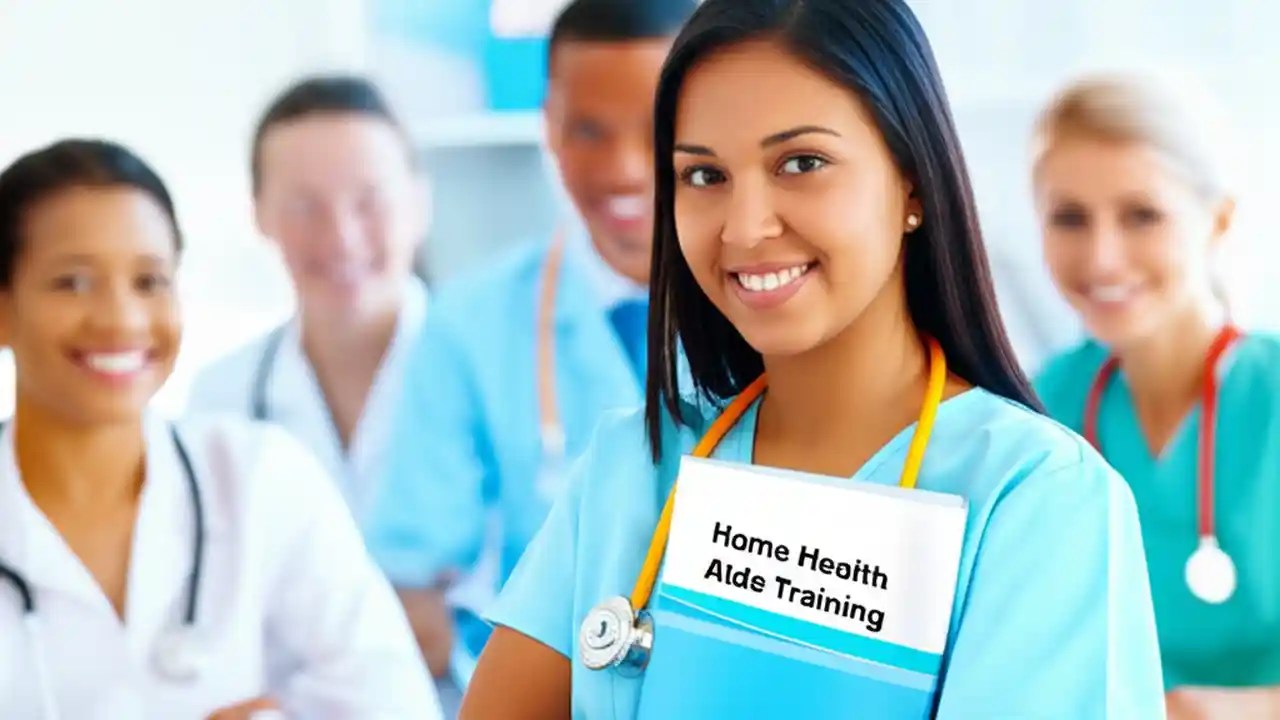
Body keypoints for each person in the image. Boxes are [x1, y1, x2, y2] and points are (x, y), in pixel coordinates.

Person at [459, 1, 1166, 717]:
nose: (745, 226)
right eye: (705, 176)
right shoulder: (632, 468)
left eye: (801, 163)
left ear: (911, 181)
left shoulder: (1037, 500)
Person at [0, 139, 442, 719]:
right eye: (73, 283)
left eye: (150, 281)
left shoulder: (260, 478)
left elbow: (397, 707)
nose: (122, 319)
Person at [361, 0, 698, 688]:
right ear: (547, 126)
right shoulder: (469, 326)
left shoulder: (774, 310)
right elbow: (413, 586)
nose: (625, 169)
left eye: (657, 130)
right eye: (588, 131)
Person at [1032, 74, 1280, 718]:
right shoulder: (1039, 409)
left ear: (1218, 221)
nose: (1103, 259)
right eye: (1070, 219)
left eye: (1141, 215)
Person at [186, 75, 428, 526]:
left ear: (419, 203)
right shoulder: (222, 399)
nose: (341, 237)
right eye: (304, 206)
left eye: (368, 201)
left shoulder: (503, 375)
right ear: (258, 214)